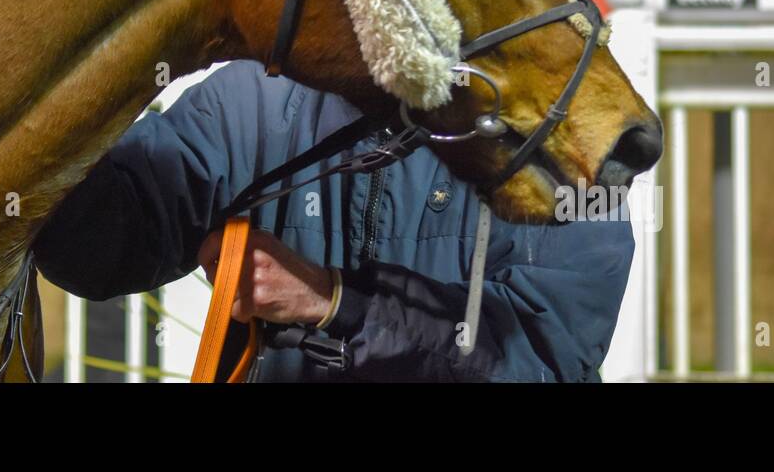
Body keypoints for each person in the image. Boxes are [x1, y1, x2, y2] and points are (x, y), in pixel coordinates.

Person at [33, 60, 635, 382]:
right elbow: (96, 250)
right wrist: (72, 86)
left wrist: (334, 302)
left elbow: (542, 360)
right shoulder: (249, 104)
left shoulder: (559, 152)